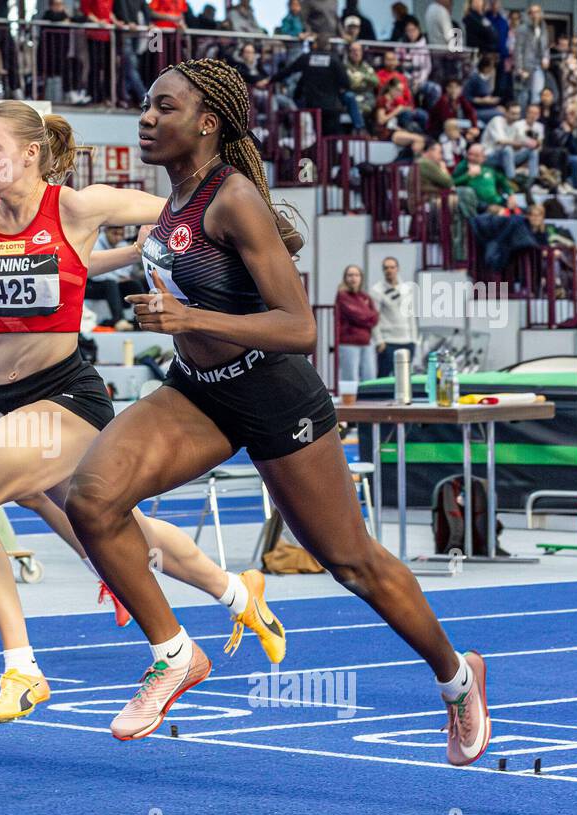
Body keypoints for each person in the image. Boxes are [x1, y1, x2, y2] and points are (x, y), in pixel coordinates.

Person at [63, 59, 491, 763]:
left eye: (163, 107)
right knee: (92, 499)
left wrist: (187, 314)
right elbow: (194, 306)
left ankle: (456, 677)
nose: (146, 117)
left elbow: (299, 327)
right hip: (200, 391)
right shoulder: (174, 198)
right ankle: (175, 654)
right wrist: (174, 321)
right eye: (145, 105)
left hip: (274, 394)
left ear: (207, 122)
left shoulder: (232, 201)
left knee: (350, 563)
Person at [0, 102, 264, 724]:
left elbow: (193, 208)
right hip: (0, 400)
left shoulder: (78, 207)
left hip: (65, 397)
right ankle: (234, 590)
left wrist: (239, 237)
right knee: (111, 526)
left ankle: (22, 667)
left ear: (31, 152)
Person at [369, 257, 417, 377]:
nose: (389, 270)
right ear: (383, 270)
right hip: (388, 342)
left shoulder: (406, 289)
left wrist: (414, 339)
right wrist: (379, 340)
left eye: (392, 267)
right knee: (384, 377)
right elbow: (374, 318)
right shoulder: (376, 290)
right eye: (386, 268)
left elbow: (411, 316)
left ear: (397, 269)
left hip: (407, 341)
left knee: (405, 379)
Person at [334, 264, 378, 383]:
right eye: (350, 275)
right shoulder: (342, 296)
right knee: (350, 378)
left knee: (370, 377)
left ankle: (367, 401)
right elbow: (360, 317)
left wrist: (367, 315)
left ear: (361, 278)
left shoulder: (365, 296)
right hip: (348, 343)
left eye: (356, 275)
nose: (353, 278)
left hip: (366, 342)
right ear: (345, 278)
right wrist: (368, 314)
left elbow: (375, 318)